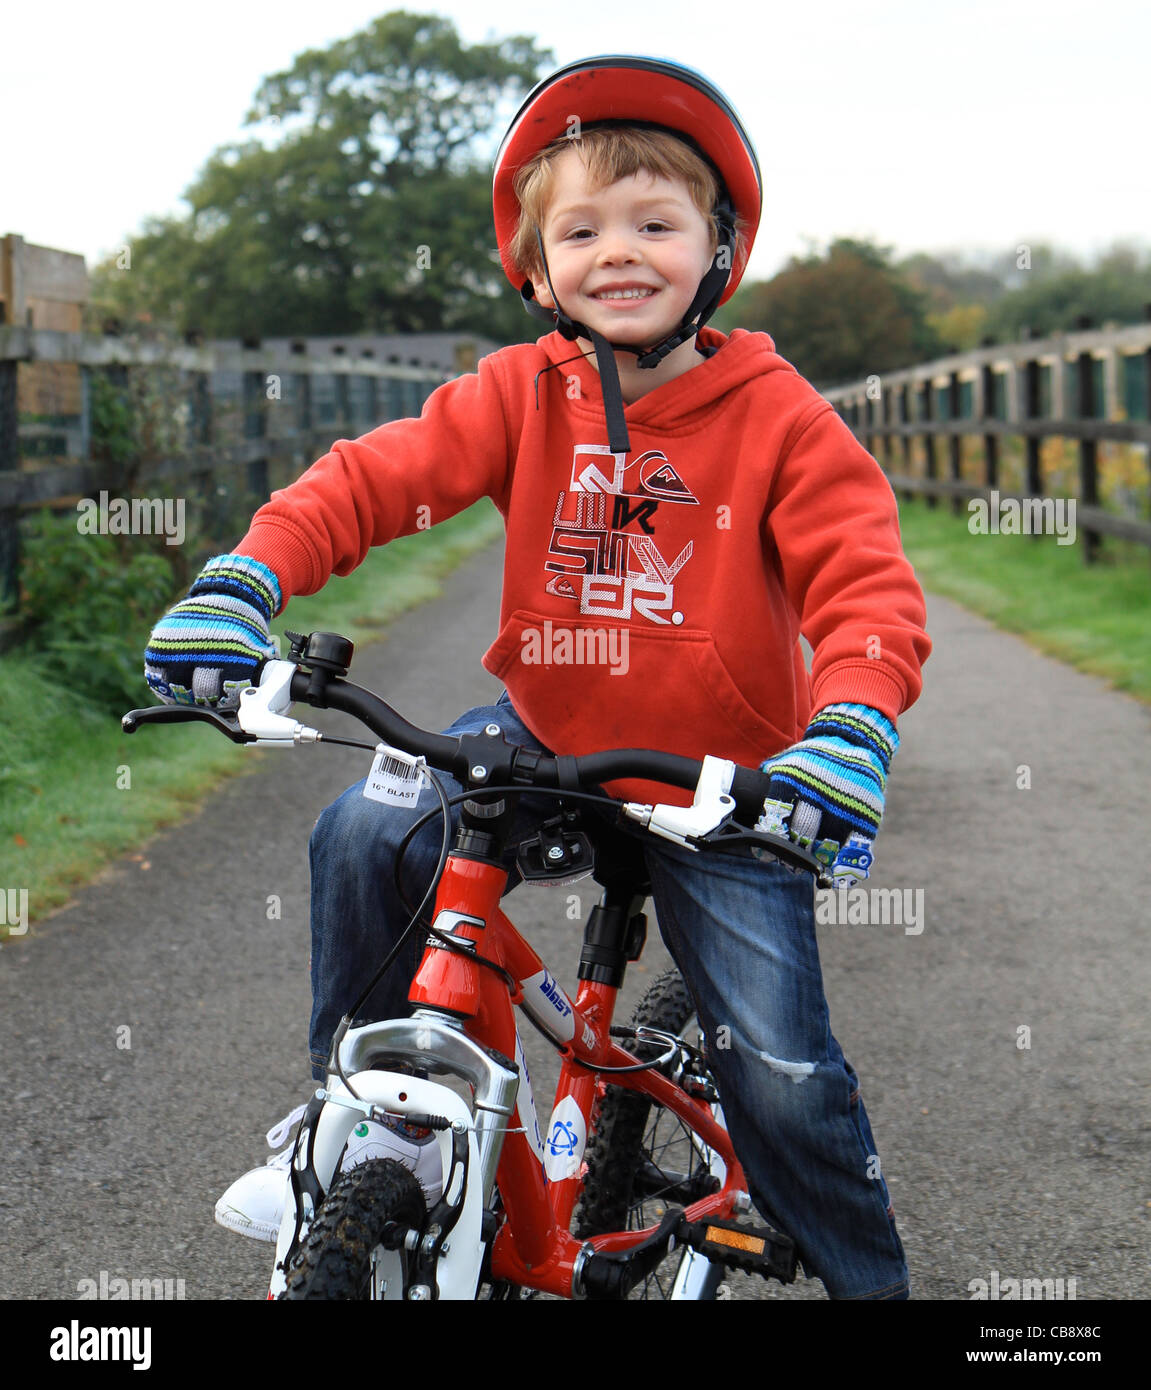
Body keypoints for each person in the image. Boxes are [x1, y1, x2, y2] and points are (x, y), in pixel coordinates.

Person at [145, 55, 931, 1298]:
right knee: (366, 829)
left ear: (716, 249)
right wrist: (245, 579)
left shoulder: (781, 417)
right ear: (537, 264)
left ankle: (865, 1278)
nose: (617, 251)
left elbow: (866, 591)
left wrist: (848, 725)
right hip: (541, 731)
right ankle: (375, 1117)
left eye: (654, 222)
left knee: (780, 1064)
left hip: (724, 778)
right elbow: (364, 480)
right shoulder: (522, 393)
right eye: (581, 229)